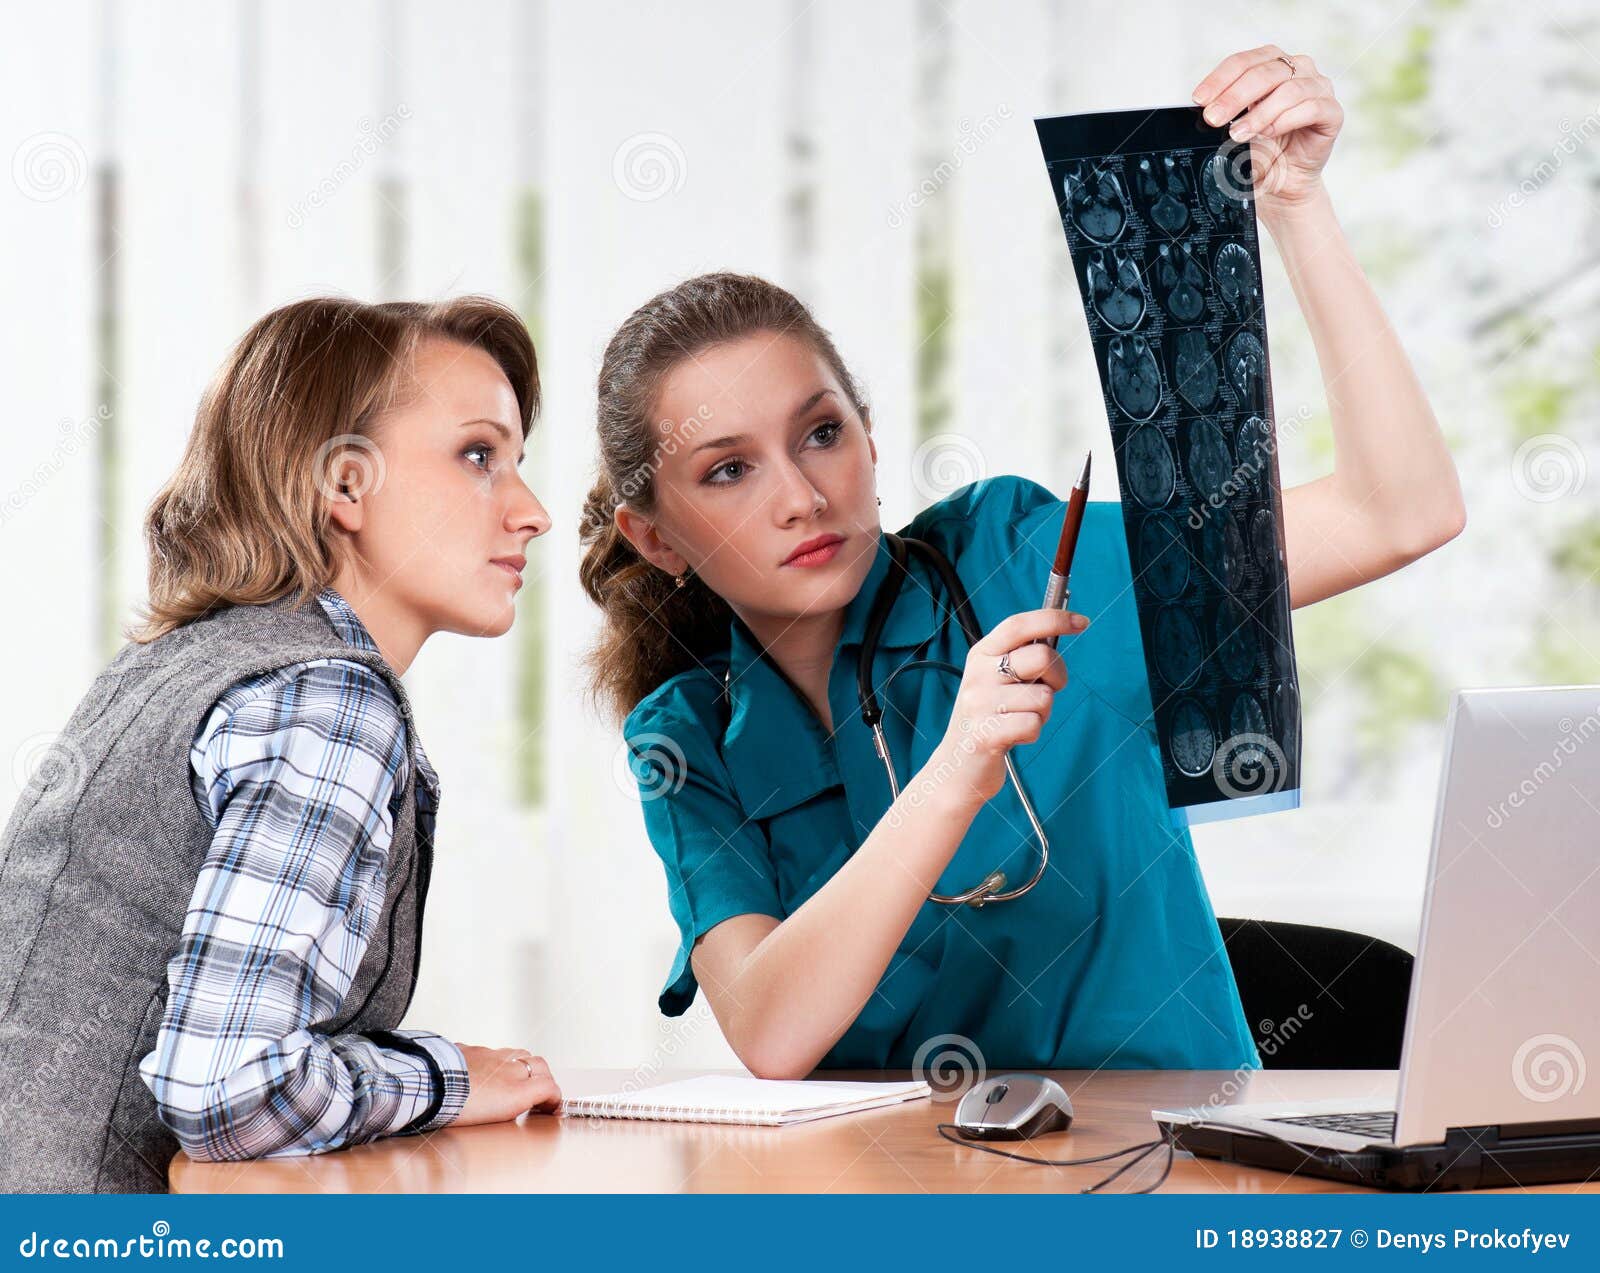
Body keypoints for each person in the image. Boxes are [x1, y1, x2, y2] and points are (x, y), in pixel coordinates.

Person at [577, 46, 1466, 1079]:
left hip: (1164, 1158)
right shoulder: (684, 737)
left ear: (869, 438)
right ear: (657, 537)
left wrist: (1299, 210)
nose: (801, 496)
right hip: (902, 1177)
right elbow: (772, 1032)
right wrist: (958, 765)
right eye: (729, 471)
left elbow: (1396, 512)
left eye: (820, 434)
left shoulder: (1016, 562)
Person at [0, 296, 560, 1193]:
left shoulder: (181, 661)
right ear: (346, 485)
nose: (531, 512)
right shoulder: (326, 699)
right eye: (477, 455)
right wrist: (446, 1077)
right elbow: (229, 1092)